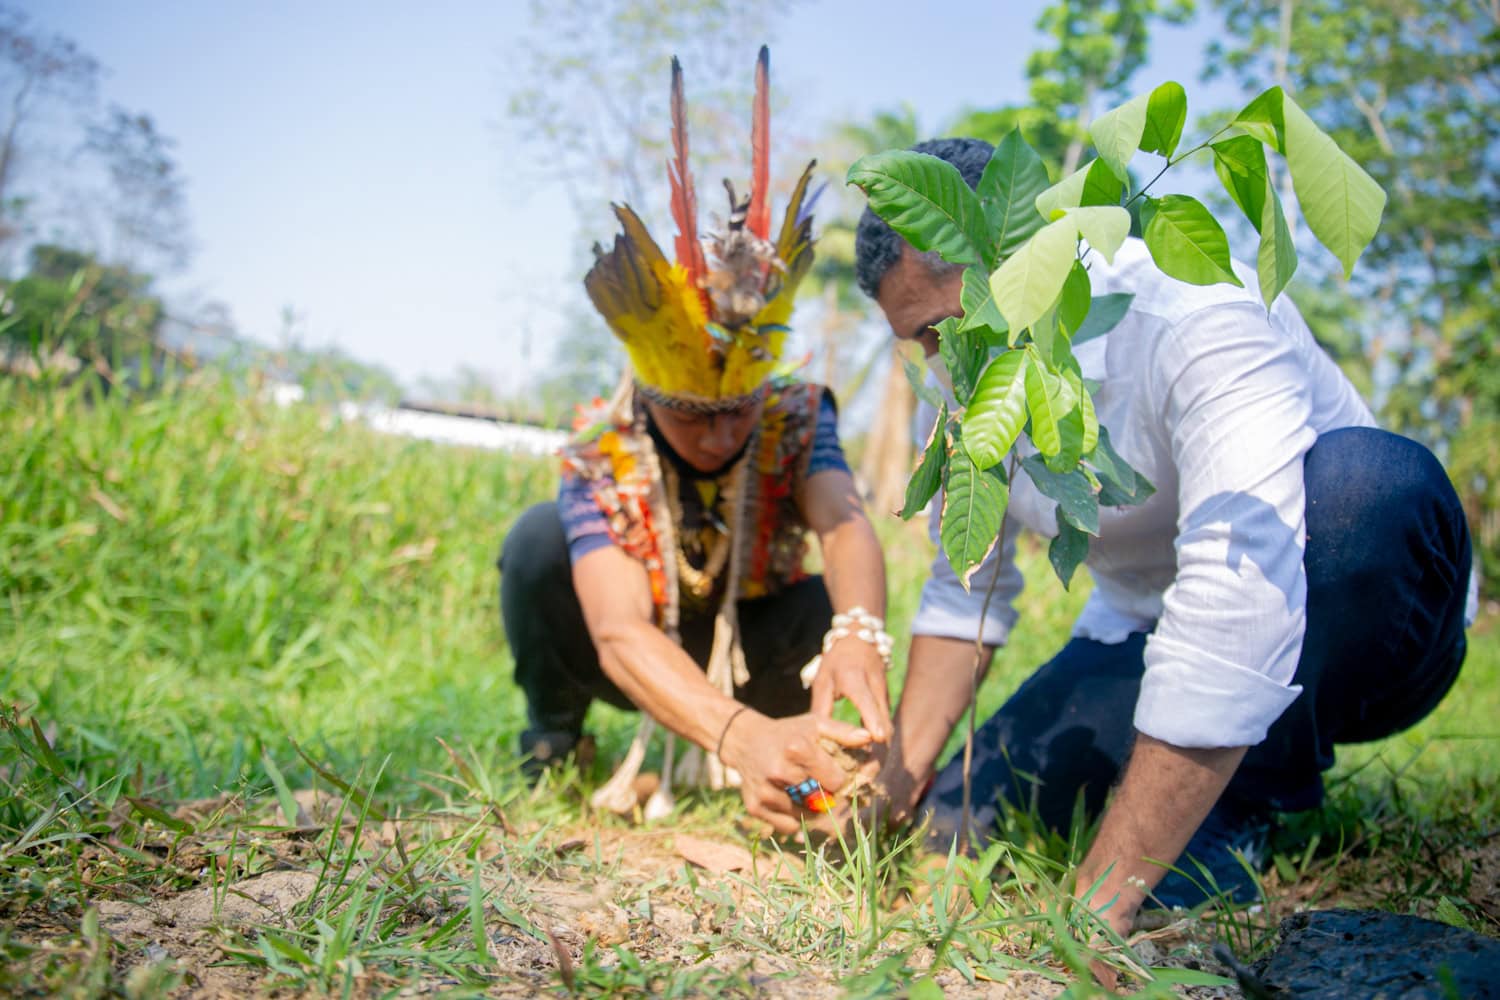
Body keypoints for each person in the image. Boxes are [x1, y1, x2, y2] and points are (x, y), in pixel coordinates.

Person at [855, 137, 1476, 937]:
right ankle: (1194, 780)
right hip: (1148, 630)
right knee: (962, 816)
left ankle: (1242, 802)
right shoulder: (960, 392)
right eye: (919, 342)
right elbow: (963, 588)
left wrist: (1103, 897)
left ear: (1018, 256)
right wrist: (897, 785)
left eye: (944, 331)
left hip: (1362, 620)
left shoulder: (1193, 310)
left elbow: (1238, 585)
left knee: (1368, 485)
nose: (940, 361)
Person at [498, 50, 891, 835]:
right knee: (537, 543)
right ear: (649, 398)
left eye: (738, 412)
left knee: (826, 605)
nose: (721, 434)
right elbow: (618, 630)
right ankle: (556, 740)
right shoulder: (600, 449)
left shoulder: (794, 415)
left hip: (757, 648)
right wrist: (738, 736)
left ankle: (809, 781)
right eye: (692, 417)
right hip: (640, 659)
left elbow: (845, 524)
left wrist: (858, 632)